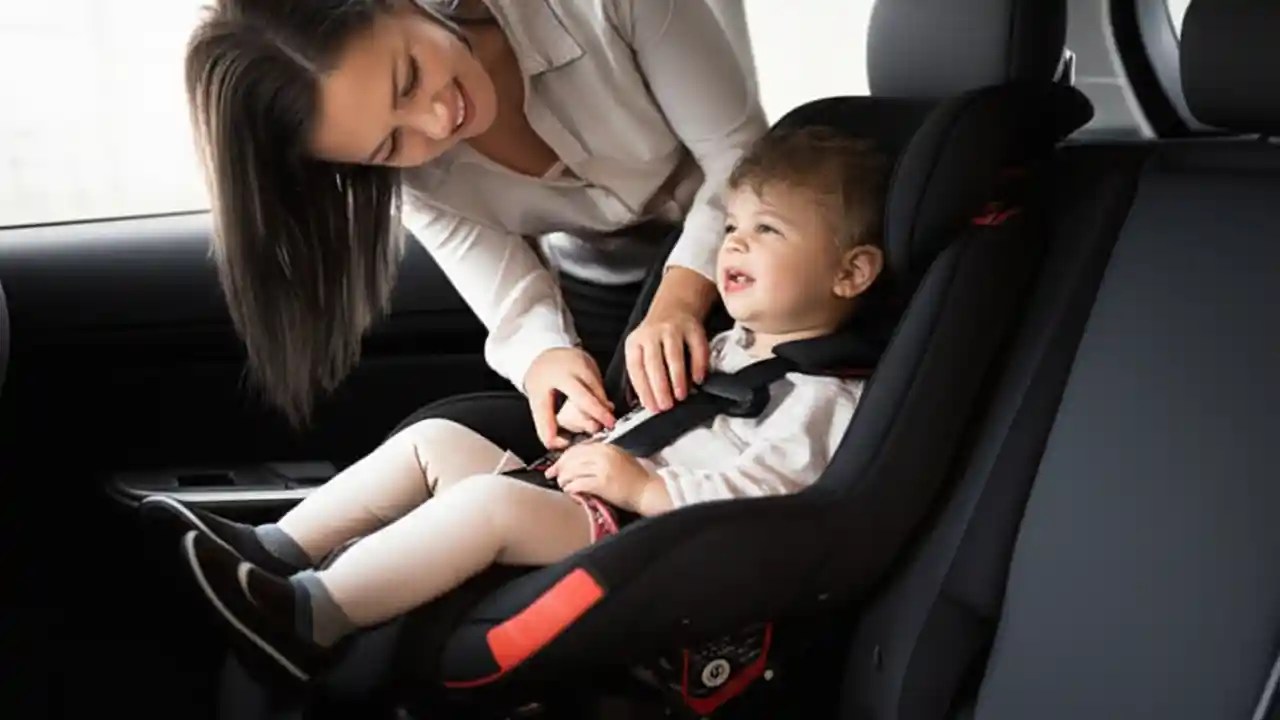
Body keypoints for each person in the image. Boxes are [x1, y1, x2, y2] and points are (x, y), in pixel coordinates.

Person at [147, 127, 891, 683]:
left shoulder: (828, 397)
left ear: (852, 272)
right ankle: (275, 548)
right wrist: (606, 431)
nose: (733, 248)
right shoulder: (728, 345)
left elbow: (771, 497)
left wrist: (646, 488)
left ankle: (311, 617)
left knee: (489, 506)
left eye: (768, 231)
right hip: (588, 486)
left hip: (637, 536)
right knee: (437, 441)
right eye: (730, 227)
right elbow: (671, 424)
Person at [184, 0, 769, 448]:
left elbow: (741, 156)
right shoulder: (408, 178)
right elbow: (511, 300)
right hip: (605, 276)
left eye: (409, 77)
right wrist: (547, 360)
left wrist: (678, 302)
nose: (436, 123)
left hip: (754, 240)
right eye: (391, 142)